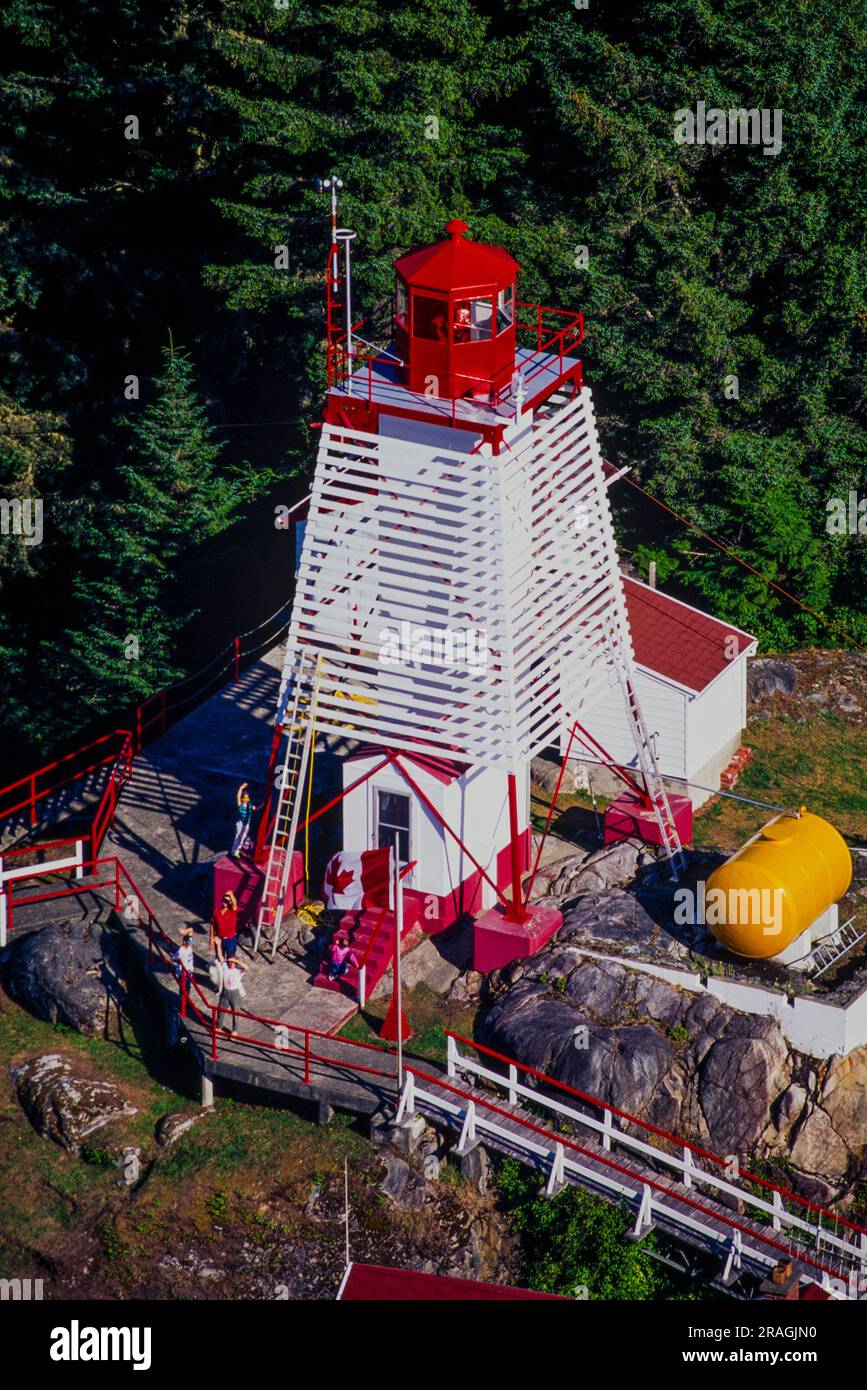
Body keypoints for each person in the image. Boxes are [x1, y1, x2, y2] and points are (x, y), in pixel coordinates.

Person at [218, 953, 248, 1037]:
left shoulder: (238, 971)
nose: (231, 964)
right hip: (225, 992)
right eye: (230, 962)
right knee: (221, 1010)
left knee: (235, 1012)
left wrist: (236, 960)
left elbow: (246, 967)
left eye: (233, 962)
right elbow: (221, 957)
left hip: (234, 993)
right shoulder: (226, 968)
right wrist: (219, 944)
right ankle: (219, 1026)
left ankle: (234, 1030)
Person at [231, 782, 260, 859]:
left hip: (246, 825)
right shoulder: (240, 805)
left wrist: (263, 805)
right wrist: (241, 788)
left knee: (243, 837)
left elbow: (256, 808)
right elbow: (238, 796)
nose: (246, 799)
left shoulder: (249, 806)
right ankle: (234, 852)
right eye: (245, 798)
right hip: (241, 824)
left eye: (247, 797)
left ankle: (237, 850)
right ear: (243, 798)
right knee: (238, 837)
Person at [210, 890, 239, 963]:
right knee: (219, 959)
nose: (225, 902)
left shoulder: (232, 910)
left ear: (230, 902)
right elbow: (212, 926)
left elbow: (235, 903)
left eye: (227, 900)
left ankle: (230, 974)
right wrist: (211, 939)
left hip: (230, 939)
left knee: (231, 959)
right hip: (220, 939)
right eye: (224, 899)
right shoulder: (216, 911)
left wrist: (231, 894)